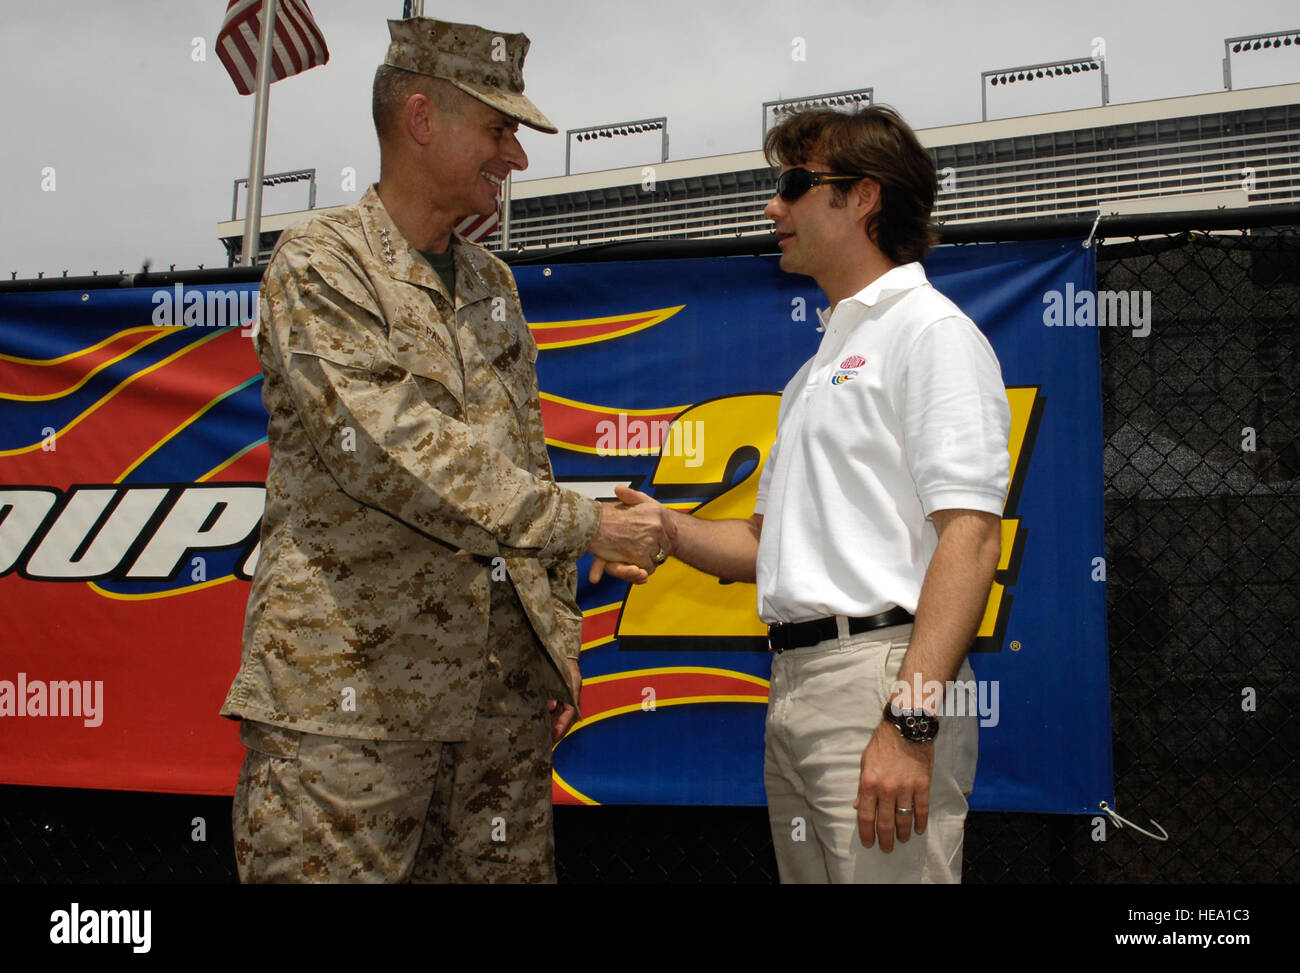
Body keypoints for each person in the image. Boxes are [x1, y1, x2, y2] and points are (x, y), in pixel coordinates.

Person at [220, 16, 668, 884]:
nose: (517, 158)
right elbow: (387, 451)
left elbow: (519, 458)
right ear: (422, 119)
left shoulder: (494, 285)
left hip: (498, 716)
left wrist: (553, 649)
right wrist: (583, 525)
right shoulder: (322, 261)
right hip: (350, 715)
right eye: (499, 131)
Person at [597, 105, 1010, 883]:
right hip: (796, 690)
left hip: (880, 684)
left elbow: (972, 538)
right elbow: (766, 546)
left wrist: (911, 719)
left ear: (863, 197)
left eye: (792, 183)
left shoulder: (931, 333)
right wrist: (671, 530)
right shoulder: (820, 364)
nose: (772, 205)